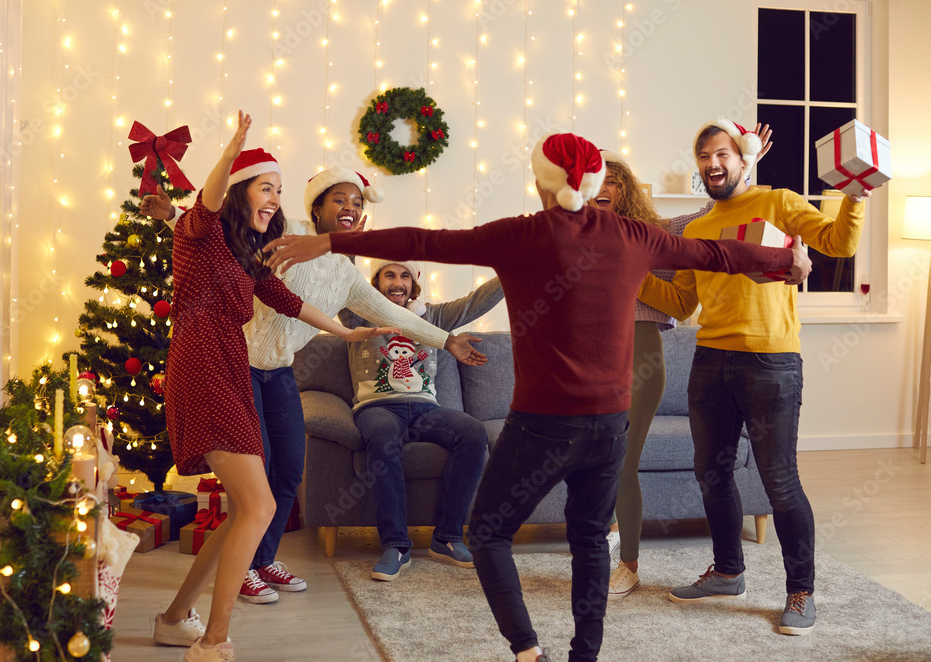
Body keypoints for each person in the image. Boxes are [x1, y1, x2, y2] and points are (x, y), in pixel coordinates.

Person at [262, 132, 811, 662]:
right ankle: (584, 656)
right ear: (596, 180)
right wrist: (787, 263)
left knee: (492, 533)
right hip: (609, 428)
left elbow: (424, 241)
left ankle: (527, 649)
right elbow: (714, 253)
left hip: (540, 427)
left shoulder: (519, 234)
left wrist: (332, 239)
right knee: (592, 541)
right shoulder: (634, 237)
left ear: (543, 183)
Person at [143, 166, 486, 605]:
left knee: (288, 472)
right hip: (237, 366)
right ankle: (243, 568)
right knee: (258, 478)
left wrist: (446, 340)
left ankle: (263, 559)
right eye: (340, 199)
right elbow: (224, 241)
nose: (350, 208)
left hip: (280, 372)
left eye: (357, 203)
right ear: (317, 207)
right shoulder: (283, 233)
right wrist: (174, 214)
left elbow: (392, 314)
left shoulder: (346, 276)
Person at [152, 112, 399, 662]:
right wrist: (232, 150)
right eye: (266, 187)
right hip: (201, 369)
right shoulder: (202, 232)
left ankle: (174, 621)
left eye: (279, 190)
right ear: (239, 189)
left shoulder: (248, 252)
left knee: (247, 507)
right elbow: (207, 202)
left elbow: (288, 302)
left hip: (229, 369)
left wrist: (346, 329)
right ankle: (213, 640)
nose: (275, 199)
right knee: (259, 506)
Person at [637, 119, 878, 636]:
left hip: (770, 363)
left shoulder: (779, 203)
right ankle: (727, 572)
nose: (711, 164)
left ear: (743, 159)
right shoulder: (697, 229)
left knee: (779, 480)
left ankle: (801, 591)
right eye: (703, 156)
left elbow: (838, 242)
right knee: (713, 474)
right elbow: (681, 302)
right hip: (710, 361)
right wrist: (630, 275)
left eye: (720, 153)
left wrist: (854, 195)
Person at [591, 125, 773, 601]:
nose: (603, 188)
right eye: (595, 181)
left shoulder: (658, 232)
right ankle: (601, 542)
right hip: (590, 356)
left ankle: (627, 565)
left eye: (612, 180)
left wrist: (747, 167)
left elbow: (714, 212)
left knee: (622, 460)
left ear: (625, 189)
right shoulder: (578, 237)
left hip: (639, 351)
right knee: (594, 459)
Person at [341, 259, 504, 581]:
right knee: (383, 434)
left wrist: (511, 265)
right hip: (378, 407)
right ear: (376, 283)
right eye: (389, 275)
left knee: (472, 432)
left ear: (414, 284)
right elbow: (341, 278)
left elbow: (475, 302)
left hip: (426, 409)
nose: (397, 282)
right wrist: (339, 243)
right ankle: (396, 546)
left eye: (404, 275)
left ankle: (447, 538)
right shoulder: (358, 313)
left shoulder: (434, 317)